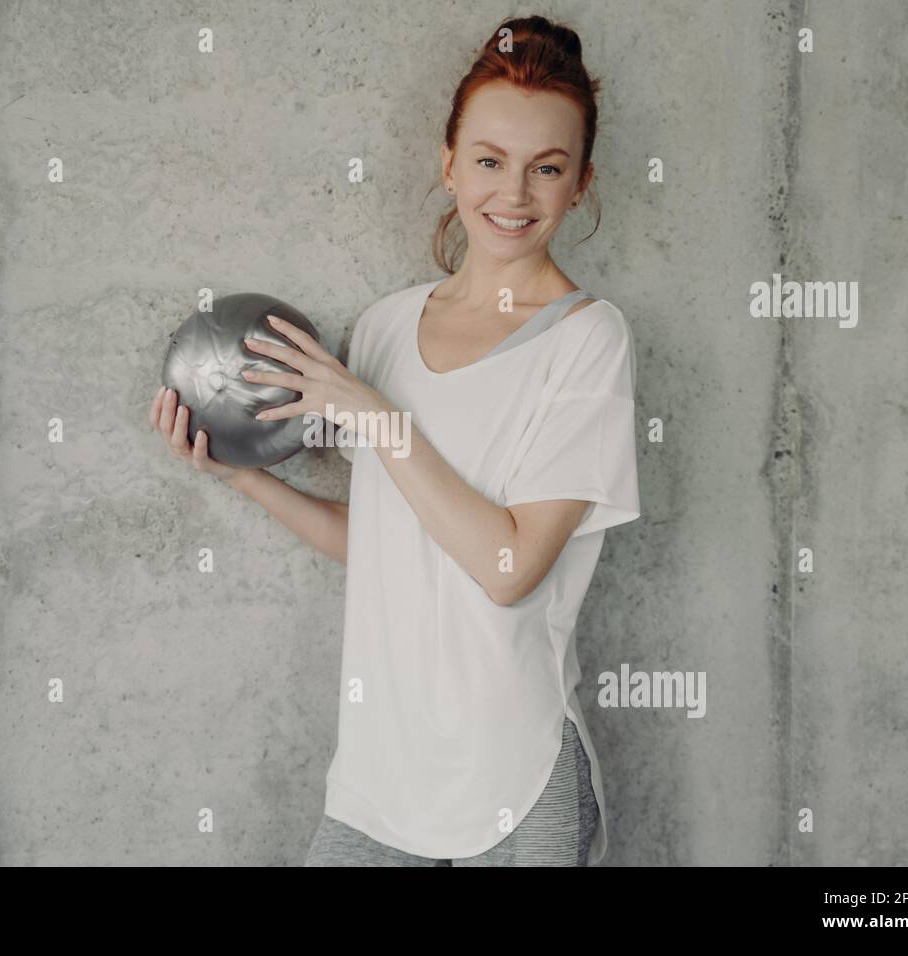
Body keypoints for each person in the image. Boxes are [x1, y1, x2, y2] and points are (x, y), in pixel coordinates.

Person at [148, 14, 640, 866]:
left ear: (581, 183)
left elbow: (509, 570)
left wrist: (372, 412)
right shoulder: (382, 329)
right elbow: (386, 548)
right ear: (448, 164)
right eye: (488, 161)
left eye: (546, 168)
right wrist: (241, 478)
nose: (513, 195)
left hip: (515, 781)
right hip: (382, 773)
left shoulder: (590, 341)